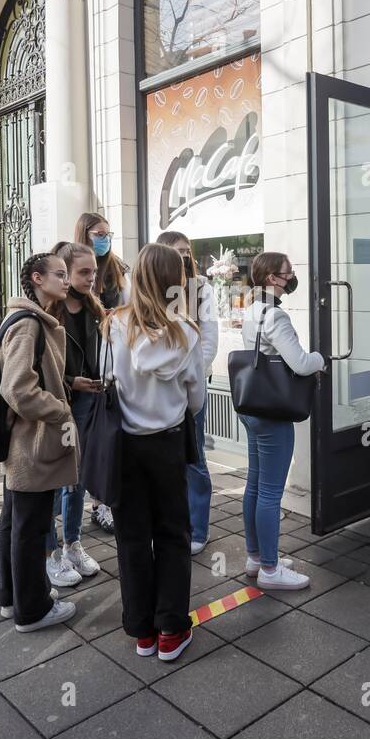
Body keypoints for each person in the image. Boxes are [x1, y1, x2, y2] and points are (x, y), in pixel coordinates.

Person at [103, 243, 205, 660]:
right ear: (174, 280)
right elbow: (196, 396)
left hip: (125, 443)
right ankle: (171, 630)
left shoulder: (113, 325)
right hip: (167, 440)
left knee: (131, 537)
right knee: (173, 535)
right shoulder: (188, 331)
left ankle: (142, 631)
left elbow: (107, 378)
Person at [0, 252, 80, 632]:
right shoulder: (29, 324)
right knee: (30, 526)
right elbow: (18, 388)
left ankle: (13, 598)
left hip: (24, 438)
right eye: (59, 275)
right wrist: (60, 410)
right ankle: (32, 611)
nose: (67, 281)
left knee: (16, 521)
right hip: (30, 440)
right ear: (37, 278)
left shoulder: (34, 320)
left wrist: (68, 387)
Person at [240, 252, 324, 591]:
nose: (292, 277)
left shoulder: (251, 310)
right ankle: (271, 570)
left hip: (251, 409)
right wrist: (322, 358)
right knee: (271, 492)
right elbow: (301, 364)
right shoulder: (276, 316)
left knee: (256, 484)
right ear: (273, 279)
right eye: (288, 272)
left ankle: (256, 556)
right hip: (273, 414)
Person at [41, 240, 105, 586]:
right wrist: (70, 381)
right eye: (83, 272)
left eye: (93, 271)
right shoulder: (49, 313)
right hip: (58, 405)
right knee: (55, 479)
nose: (91, 278)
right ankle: (50, 552)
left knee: (77, 479)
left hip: (88, 404)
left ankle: (72, 544)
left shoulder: (95, 309)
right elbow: (37, 368)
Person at [156, 230, 219, 555]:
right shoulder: (152, 289)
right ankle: (172, 523)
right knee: (166, 459)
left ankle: (198, 528)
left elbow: (209, 338)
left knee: (193, 457)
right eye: (175, 251)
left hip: (191, 386)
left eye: (186, 251)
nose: (182, 256)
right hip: (160, 389)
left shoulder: (201, 288)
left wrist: (193, 374)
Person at [73, 212, 126, 533]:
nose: (105, 239)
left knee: (107, 437)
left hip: (113, 363)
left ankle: (102, 501)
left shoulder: (117, 268)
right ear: (86, 235)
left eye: (108, 233)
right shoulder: (74, 267)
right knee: (83, 441)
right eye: (99, 233)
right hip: (85, 366)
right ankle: (84, 507)